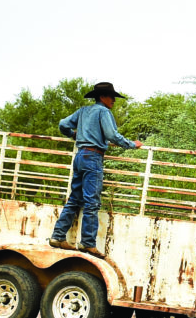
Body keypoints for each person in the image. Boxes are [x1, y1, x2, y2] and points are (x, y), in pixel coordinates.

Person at [48, 81, 144, 257]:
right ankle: (87, 243)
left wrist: (73, 134)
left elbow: (63, 124)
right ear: (103, 97)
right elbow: (111, 135)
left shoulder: (83, 111)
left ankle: (58, 236)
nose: (114, 100)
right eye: (112, 97)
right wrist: (132, 144)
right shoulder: (103, 112)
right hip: (93, 157)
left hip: (80, 156)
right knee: (91, 201)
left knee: (74, 198)